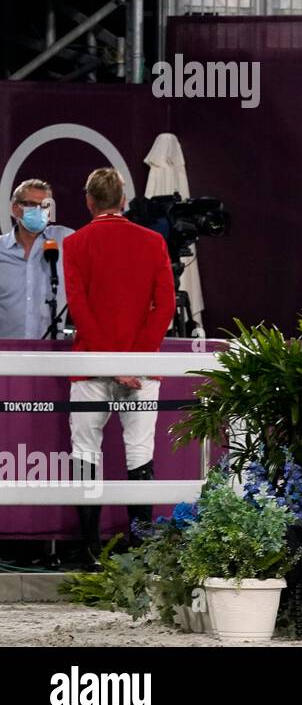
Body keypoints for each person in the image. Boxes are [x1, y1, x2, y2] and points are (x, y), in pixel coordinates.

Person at [63, 167, 175, 566]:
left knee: (85, 452)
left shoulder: (75, 244)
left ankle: (91, 552)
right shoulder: (152, 242)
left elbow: (80, 309)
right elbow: (165, 307)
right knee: (140, 451)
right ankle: (142, 553)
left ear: (89, 201)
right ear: (123, 201)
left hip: (92, 366)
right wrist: (134, 361)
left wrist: (110, 361)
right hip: (140, 369)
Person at [0, 179, 73, 339]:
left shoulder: (65, 240)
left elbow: (98, 240)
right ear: (15, 209)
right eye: (32, 205)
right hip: (6, 355)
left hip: (51, 355)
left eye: (45, 206)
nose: (39, 210)